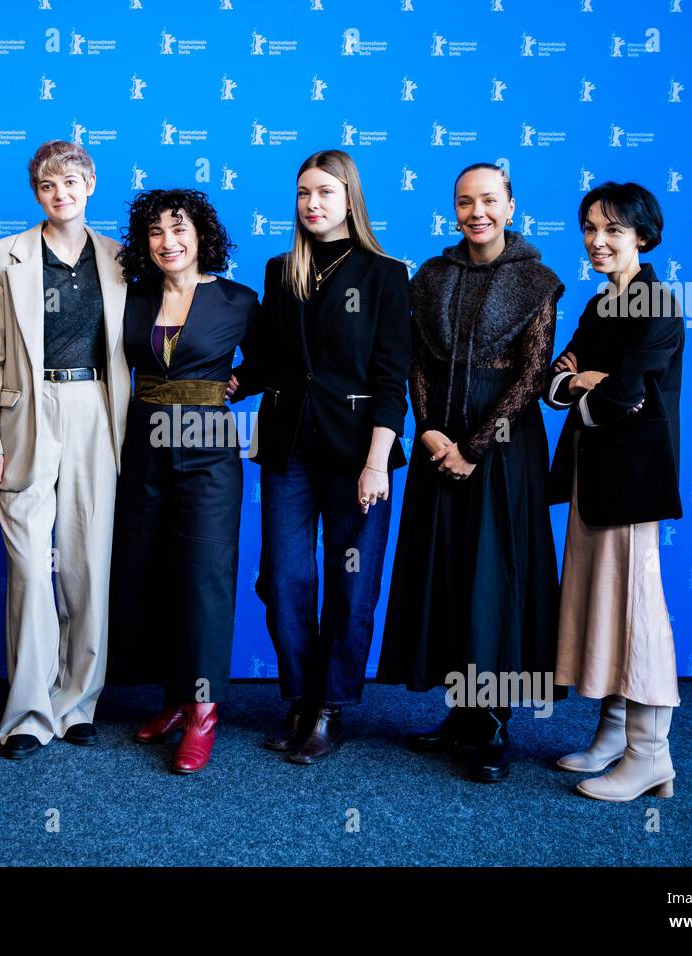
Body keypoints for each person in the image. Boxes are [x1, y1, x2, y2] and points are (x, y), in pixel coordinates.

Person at [378, 162, 563, 783]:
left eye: (489, 200)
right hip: (440, 441)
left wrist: (474, 447)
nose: (476, 211)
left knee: (496, 575)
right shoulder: (431, 275)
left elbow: (534, 374)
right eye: (464, 201)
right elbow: (420, 361)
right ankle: (460, 710)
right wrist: (428, 430)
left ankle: (494, 721)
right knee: (450, 569)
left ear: (511, 204)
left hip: (502, 444)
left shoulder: (537, 280)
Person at [230, 149, 410, 765]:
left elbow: (393, 378)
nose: (312, 203)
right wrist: (228, 383)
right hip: (289, 445)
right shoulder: (282, 270)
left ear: (350, 199)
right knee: (284, 578)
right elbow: (271, 360)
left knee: (351, 579)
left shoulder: (385, 273)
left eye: (325, 192)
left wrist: (377, 460)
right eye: (304, 192)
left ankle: (330, 707)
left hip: (359, 449)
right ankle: (301, 697)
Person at [0, 140, 130, 760]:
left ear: (90, 183)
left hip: (95, 409)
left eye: (70, 182)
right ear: (35, 193)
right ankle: (30, 712)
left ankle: (77, 702)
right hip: (26, 415)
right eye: (46, 186)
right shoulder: (3, 257)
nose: (59, 194)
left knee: (87, 564)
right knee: (30, 569)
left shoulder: (121, 258)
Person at [107, 189, 261, 774]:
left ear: (201, 238)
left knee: (204, 578)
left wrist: (236, 385)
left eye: (180, 230)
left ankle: (203, 712)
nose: (168, 242)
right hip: (143, 448)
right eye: (155, 232)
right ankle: (172, 698)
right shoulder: (134, 297)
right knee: (152, 573)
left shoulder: (237, 300)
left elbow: (271, 362)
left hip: (207, 454)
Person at [545, 181, 684, 802]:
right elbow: (557, 381)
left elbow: (623, 396)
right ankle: (612, 732)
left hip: (631, 477)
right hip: (588, 470)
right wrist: (585, 382)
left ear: (643, 237)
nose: (597, 242)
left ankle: (650, 755)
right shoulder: (602, 304)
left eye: (613, 232)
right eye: (591, 230)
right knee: (602, 603)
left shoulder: (658, 302)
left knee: (637, 610)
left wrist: (591, 383)